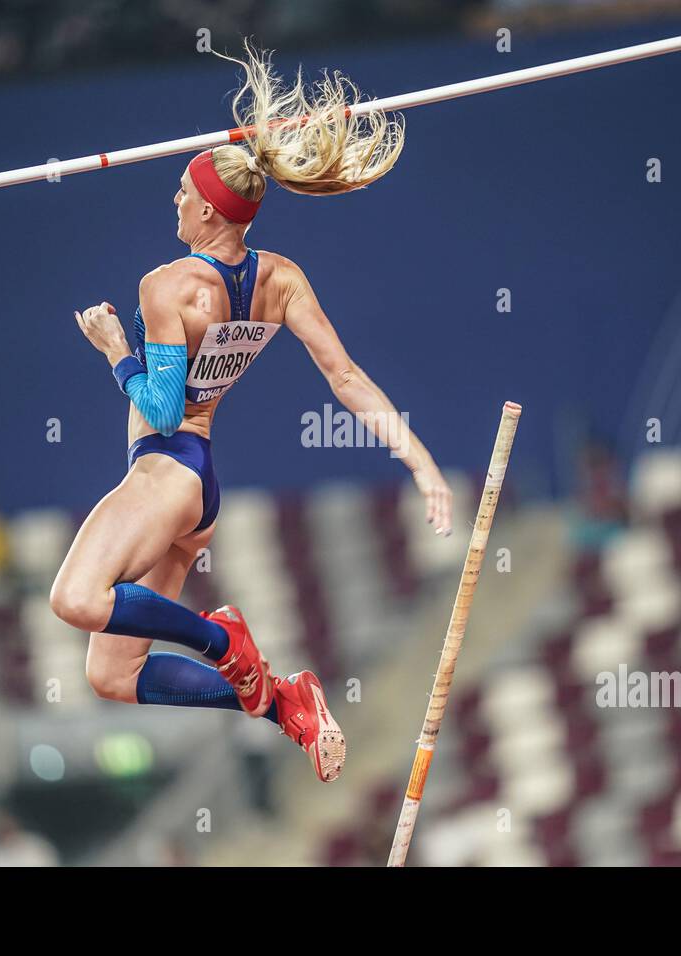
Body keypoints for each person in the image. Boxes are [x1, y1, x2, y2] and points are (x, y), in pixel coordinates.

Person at [49, 47, 453, 783]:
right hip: (198, 491)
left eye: (180, 193)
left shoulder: (168, 285)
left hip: (166, 469)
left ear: (207, 208)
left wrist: (114, 350)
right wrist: (421, 462)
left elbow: (163, 407)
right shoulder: (280, 279)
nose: (172, 202)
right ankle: (280, 703)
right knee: (112, 677)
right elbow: (347, 376)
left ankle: (220, 639)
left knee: (75, 598)